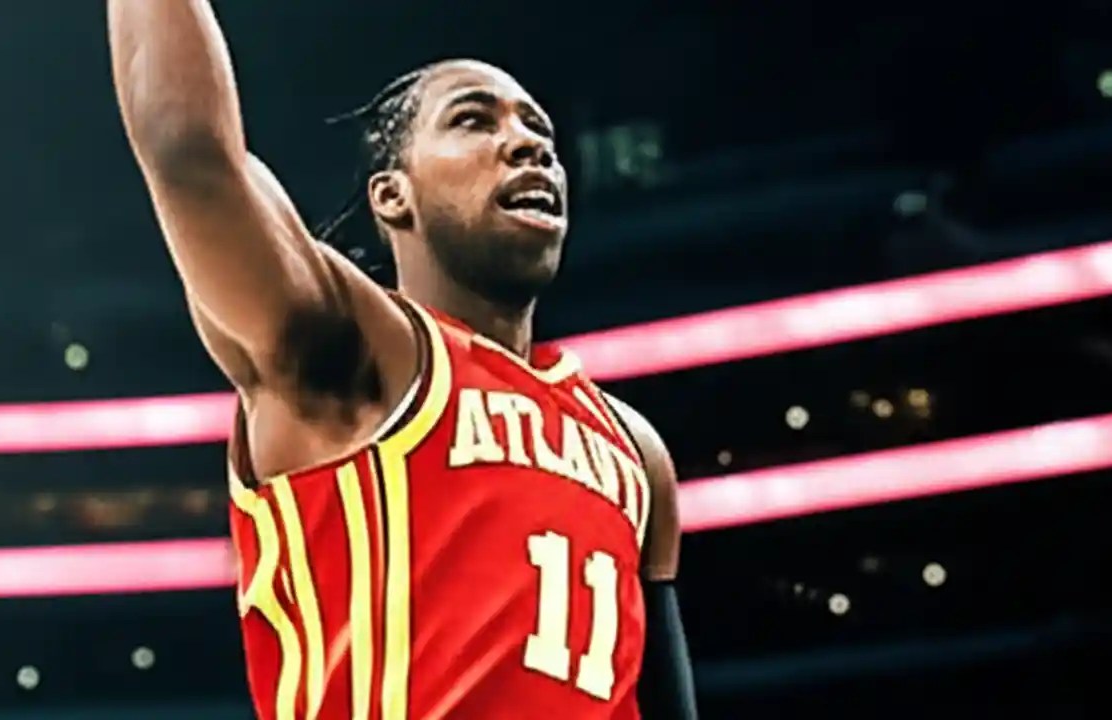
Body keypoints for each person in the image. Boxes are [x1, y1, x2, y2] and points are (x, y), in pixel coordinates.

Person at [108, 1, 697, 718]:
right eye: (474, 120)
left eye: (537, 128)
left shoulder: (635, 450)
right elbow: (188, 152)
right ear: (393, 195)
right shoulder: (358, 350)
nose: (527, 144)